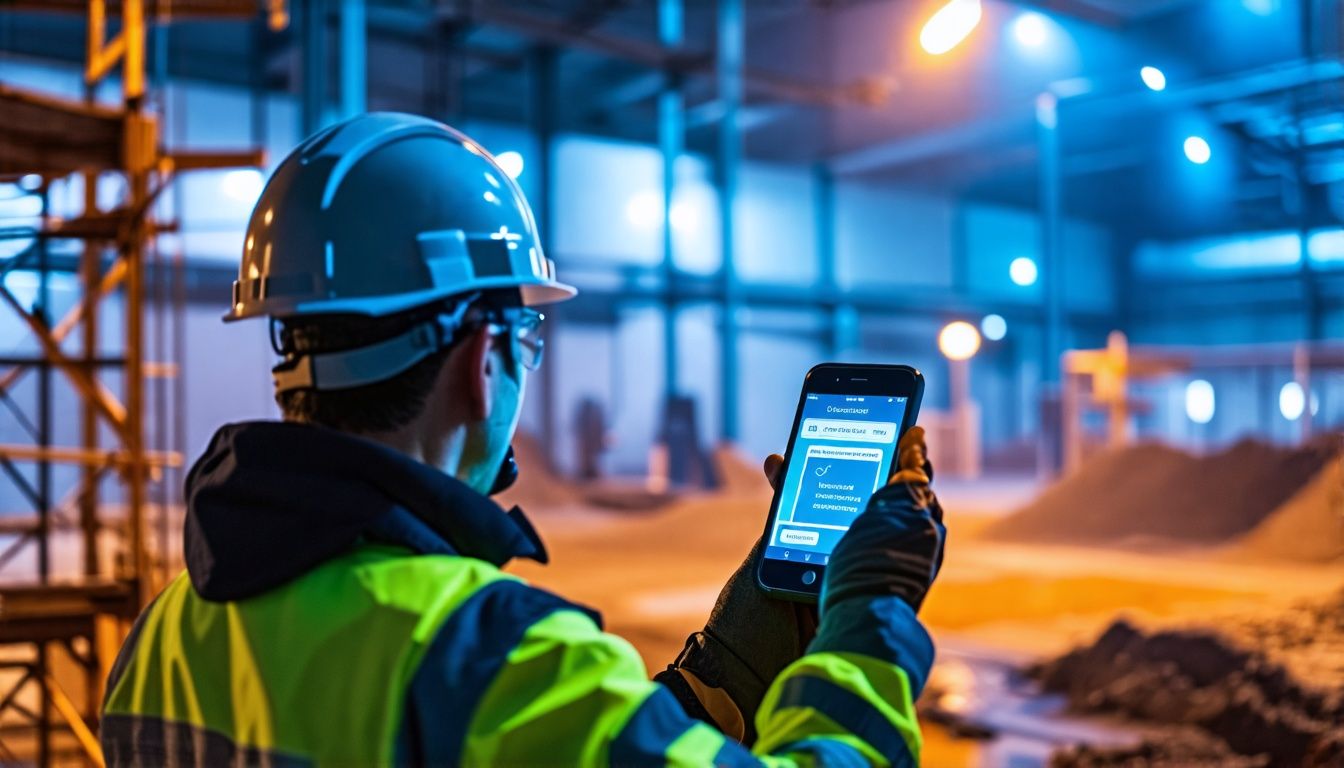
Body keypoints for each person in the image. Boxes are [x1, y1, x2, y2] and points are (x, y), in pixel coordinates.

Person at [99, 113, 947, 767]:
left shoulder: (166, 633)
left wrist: (735, 661)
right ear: (483, 358)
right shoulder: (491, 651)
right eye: (526, 341)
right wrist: (867, 617)